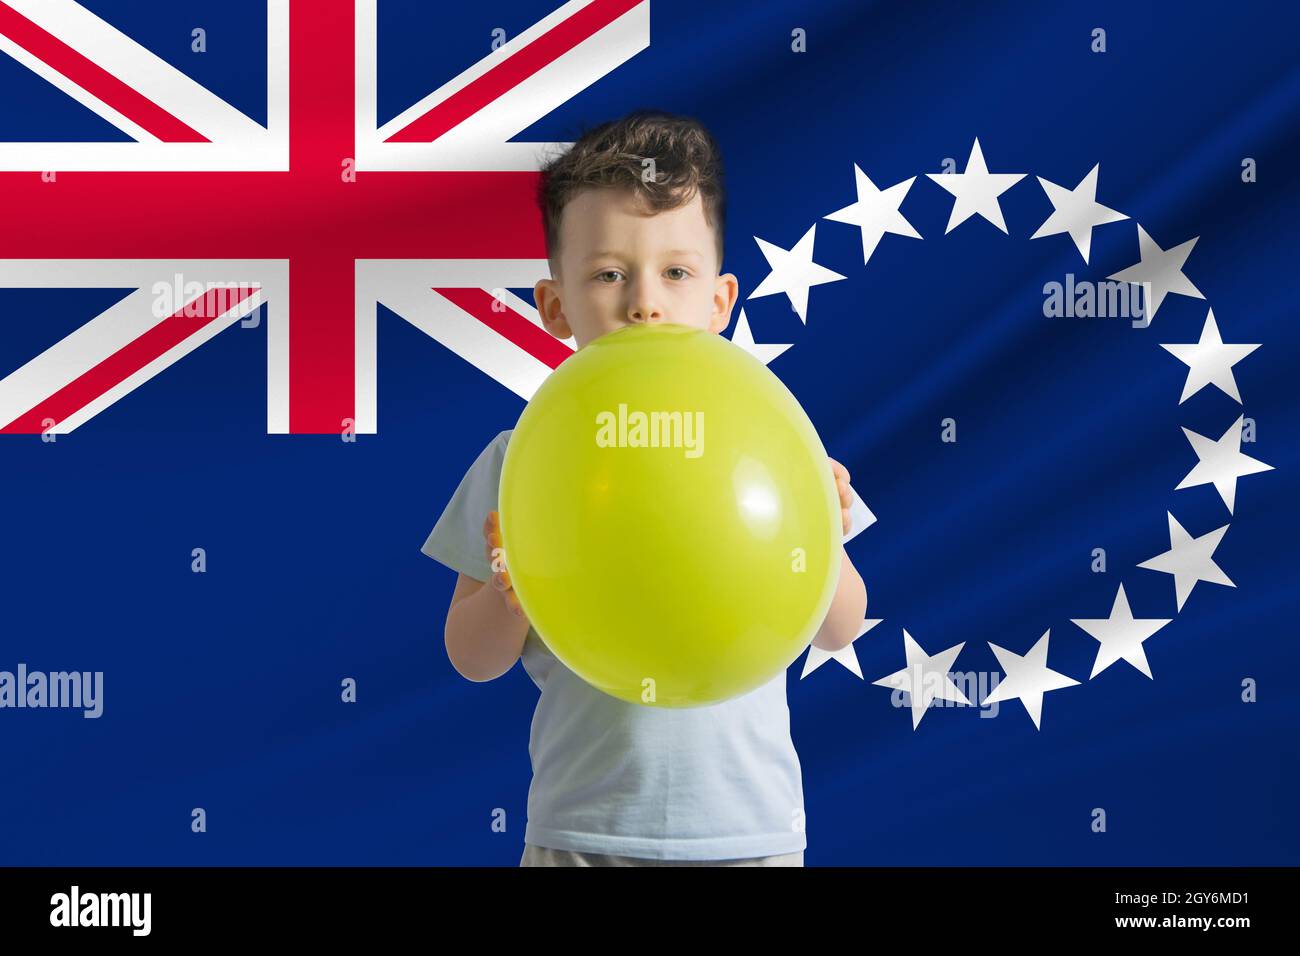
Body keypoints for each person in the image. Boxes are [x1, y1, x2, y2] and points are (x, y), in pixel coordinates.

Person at [421, 109, 869, 866]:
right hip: (582, 833)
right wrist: (508, 592)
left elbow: (840, 627)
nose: (645, 303)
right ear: (555, 306)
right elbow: (470, 657)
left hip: (748, 834)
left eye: (676, 272)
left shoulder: (774, 443)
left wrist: (821, 529)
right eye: (607, 274)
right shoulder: (520, 458)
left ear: (721, 302)